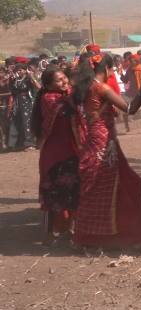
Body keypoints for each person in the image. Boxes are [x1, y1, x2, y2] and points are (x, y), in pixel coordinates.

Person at [70, 53, 141, 251]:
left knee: (115, 188)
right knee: (119, 187)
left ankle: (122, 236)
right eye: (111, 69)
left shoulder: (87, 86)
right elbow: (129, 109)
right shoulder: (100, 87)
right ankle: (132, 238)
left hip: (97, 141)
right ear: (106, 69)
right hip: (104, 145)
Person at [32, 67, 78, 247]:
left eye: (65, 78)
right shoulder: (48, 99)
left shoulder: (68, 95)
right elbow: (66, 111)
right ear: (49, 85)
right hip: (55, 154)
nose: (64, 81)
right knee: (51, 196)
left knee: (74, 193)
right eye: (59, 80)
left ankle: (70, 230)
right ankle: (48, 234)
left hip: (71, 151)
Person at [8, 58, 39, 151]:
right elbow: (12, 90)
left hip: (26, 102)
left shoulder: (28, 79)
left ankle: (30, 143)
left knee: (27, 122)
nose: (19, 71)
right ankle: (16, 143)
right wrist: (11, 80)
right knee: (15, 121)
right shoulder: (15, 80)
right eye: (17, 70)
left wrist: (32, 77)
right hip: (16, 103)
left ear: (25, 70)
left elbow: (36, 89)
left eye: (20, 70)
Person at [120, 54, 141, 132]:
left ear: (137, 61)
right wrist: (121, 74)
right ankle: (127, 127)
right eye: (130, 61)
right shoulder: (129, 70)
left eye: (133, 61)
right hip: (130, 93)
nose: (131, 62)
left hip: (139, 93)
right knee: (124, 109)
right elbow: (125, 80)